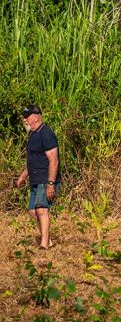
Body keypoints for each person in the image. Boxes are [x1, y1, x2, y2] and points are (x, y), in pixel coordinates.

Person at [18, 105, 58, 249]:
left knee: (41, 209)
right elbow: (33, 160)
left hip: (45, 179)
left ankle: (44, 245)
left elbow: (54, 160)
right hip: (35, 179)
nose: (25, 120)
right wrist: (22, 176)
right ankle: (49, 240)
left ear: (36, 117)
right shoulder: (33, 135)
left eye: (27, 117)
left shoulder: (46, 134)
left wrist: (51, 183)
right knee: (33, 211)